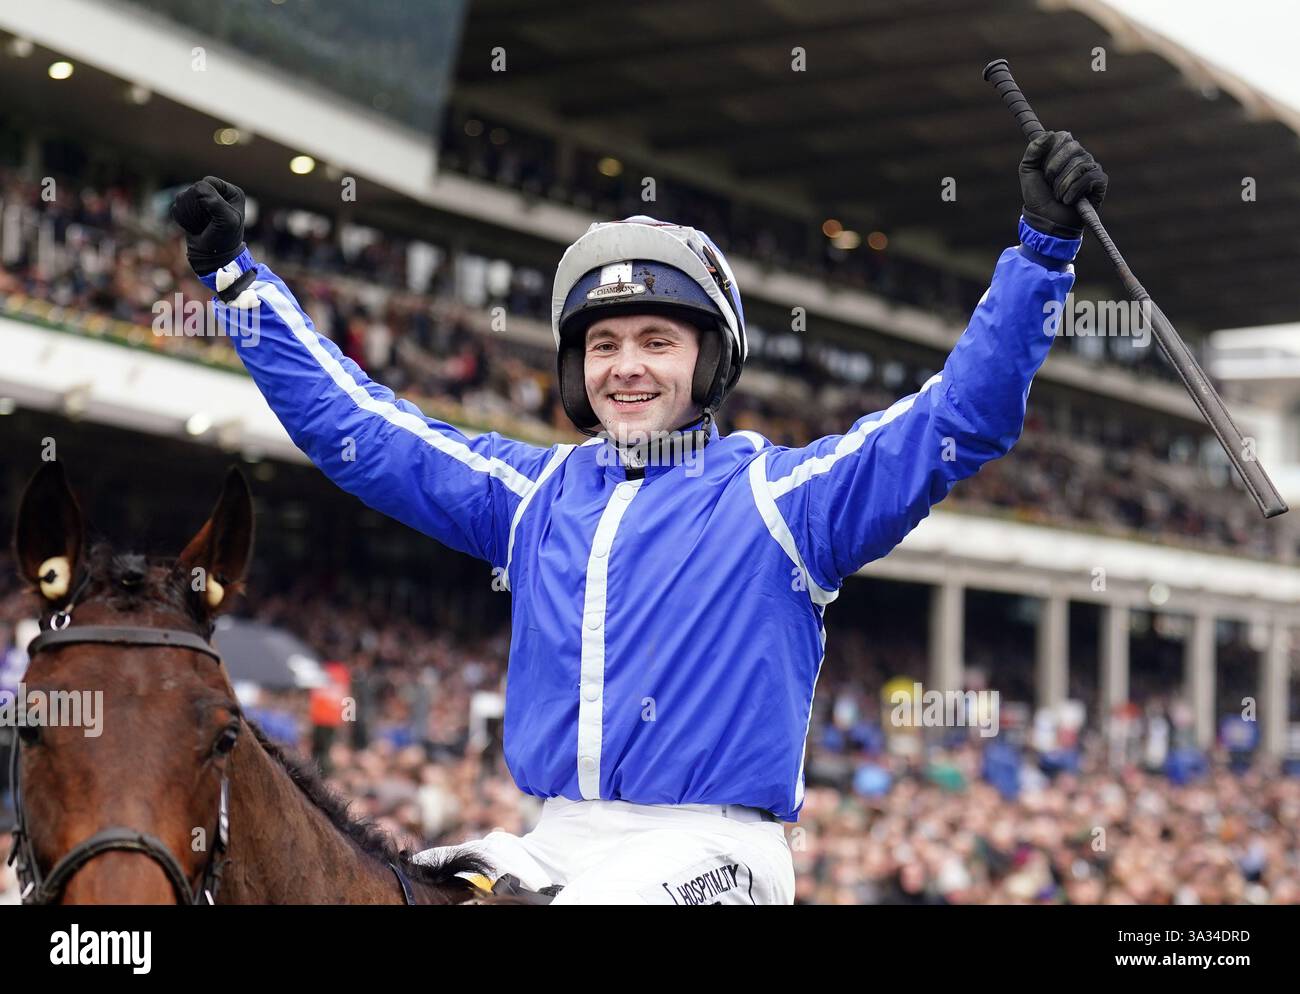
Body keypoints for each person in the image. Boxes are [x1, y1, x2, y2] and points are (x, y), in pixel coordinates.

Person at [171, 131, 1106, 904]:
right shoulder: (533, 494)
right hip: (552, 840)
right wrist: (239, 285)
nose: (627, 366)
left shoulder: (785, 500)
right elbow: (361, 433)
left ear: (707, 365)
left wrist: (1041, 252)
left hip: (717, 856)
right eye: (606, 344)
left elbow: (959, 418)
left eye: (657, 341)